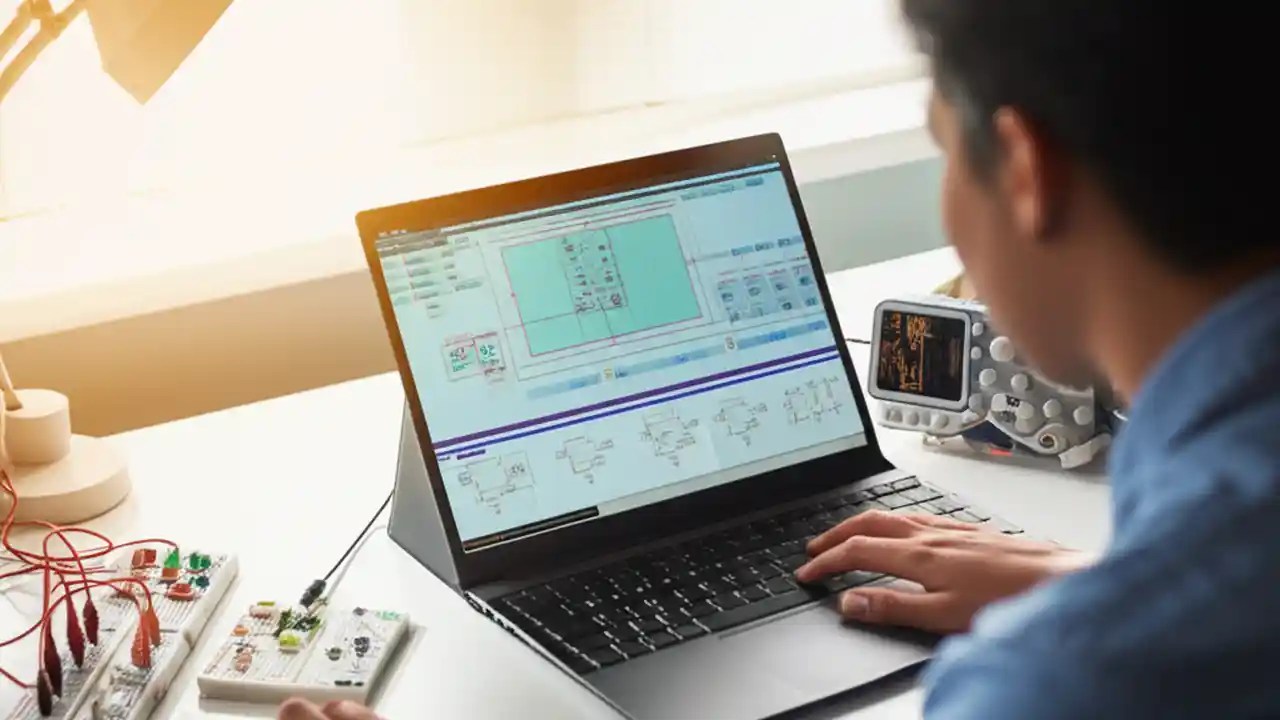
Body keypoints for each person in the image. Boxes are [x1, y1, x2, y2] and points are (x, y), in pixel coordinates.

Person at [280, 2, 1280, 717]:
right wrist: (1110, 578)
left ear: (1024, 171)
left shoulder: (1063, 682)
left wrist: (1107, 614)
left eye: (943, 148)